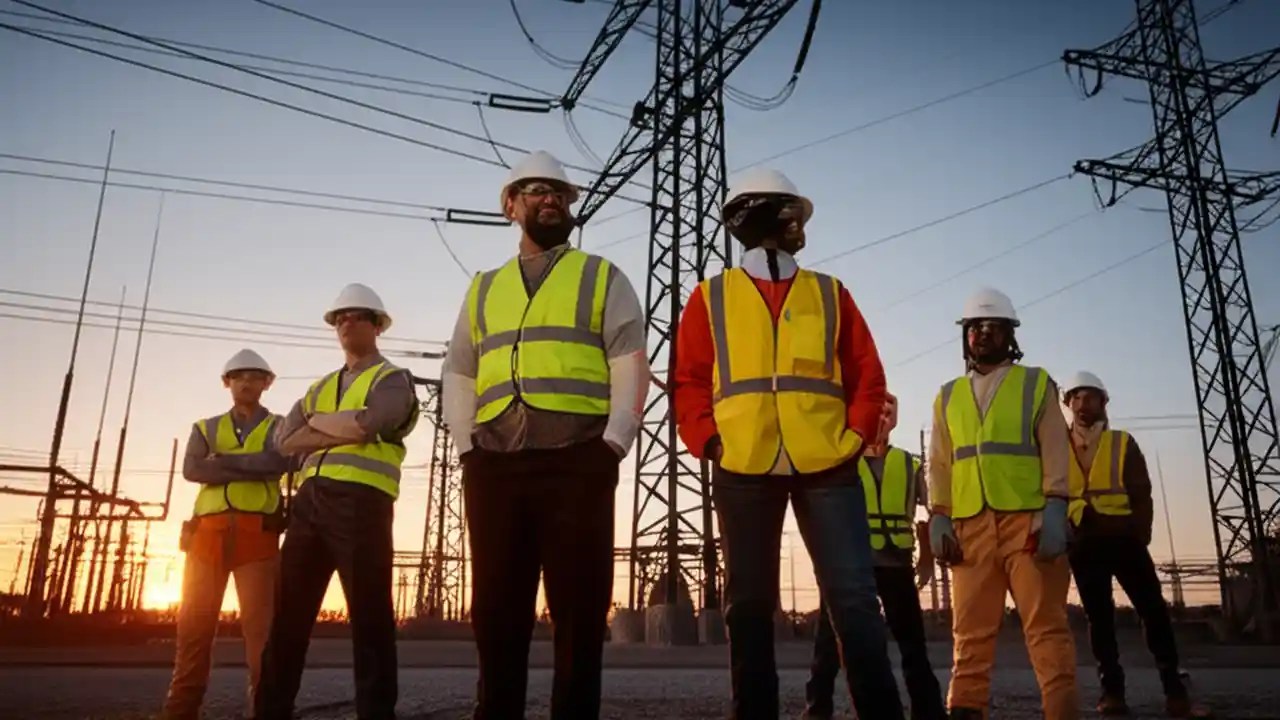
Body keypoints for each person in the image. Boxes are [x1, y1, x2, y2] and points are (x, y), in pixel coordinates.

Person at [672, 167, 904, 719]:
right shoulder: (711, 297)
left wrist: (854, 436)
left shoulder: (830, 293)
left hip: (828, 463)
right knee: (749, 606)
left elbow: (867, 374)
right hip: (742, 463)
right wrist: (709, 442)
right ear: (752, 216)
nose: (799, 224)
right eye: (789, 213)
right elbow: (689, 380)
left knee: (854, 601)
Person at [441, 149, 649, 719]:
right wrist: (466, 448)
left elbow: (629, 359)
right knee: (495, 611)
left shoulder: (600, 276)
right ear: (511, 206)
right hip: (495, 464)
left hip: (577, 461)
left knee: (579, 611)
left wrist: (614, 443)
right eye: (535, 191)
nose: (550, 198)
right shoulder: (484, 288)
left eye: (558, 192)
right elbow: (459, 370)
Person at [254, 283, 419, 720]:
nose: (346, 323)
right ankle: (270, 710)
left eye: (357, 316)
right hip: (307, 506)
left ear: (377, 325)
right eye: (340, 318)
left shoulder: (392, 379)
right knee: (287, 618)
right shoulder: (320, 387)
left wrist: (317, 424)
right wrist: (339, 425)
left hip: (361, 503)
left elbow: (370, 424)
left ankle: (376, 713)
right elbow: (284, 441)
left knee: (369, 617)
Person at [926, 286, 1078, 719]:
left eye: (994, 327)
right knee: (969, 637)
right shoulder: (948, 395)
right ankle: (965, 711)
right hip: (969, 527)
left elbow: (1055, 447)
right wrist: (938, 515)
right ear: (965, 336)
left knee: (1047, 631)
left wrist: (1055, 506)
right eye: (975, 327)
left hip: (1028, 525)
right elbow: (939, 462)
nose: (983, 334)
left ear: (1010, 335)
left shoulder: (1035, 383)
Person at [1062, 371, 1209, 718]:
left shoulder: (1122, 442)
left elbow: (1141, 492)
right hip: (1084, 541)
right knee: (1099, 619)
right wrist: (1078, 516)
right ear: (1068, 404)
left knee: (1153, 611)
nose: (1083, 404)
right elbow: (1053, 491)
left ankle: (1174, 689)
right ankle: (1112, 692)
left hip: (1125, 539)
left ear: (1103, 402)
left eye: (1090, 397)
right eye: (1076, 398)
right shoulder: (1056, 446)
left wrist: (1139, 533)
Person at [161, 349, 289, 720]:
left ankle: (265, 711)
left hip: (258, 537)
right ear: (227, 383)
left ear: (267, 383)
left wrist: (224, 462)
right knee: (194, 631)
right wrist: (251, 466)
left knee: (262, 637)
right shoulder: (205, 428)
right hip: (206, 537)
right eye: (238, 376)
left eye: (254, 376)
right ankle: (180, 712)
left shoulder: (280, 426)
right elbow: (193, 470)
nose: (246, 382)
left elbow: (278, 463)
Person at [804, 392, 947, 720]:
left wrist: (927, 556)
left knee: (913, 645)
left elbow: (933, 509)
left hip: (896, 564)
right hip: (849, 568)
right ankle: (817, 710)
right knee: (828, 647)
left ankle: (929, 711)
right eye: (876, 411)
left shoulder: (910, 465)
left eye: (887, 412)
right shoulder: (842, 461)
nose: (881, 419)